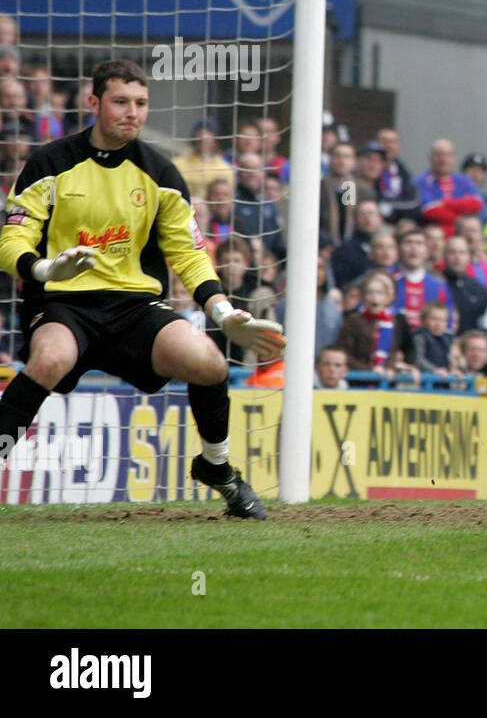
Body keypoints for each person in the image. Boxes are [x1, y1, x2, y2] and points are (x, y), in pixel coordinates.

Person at [0, 59, 283, 518]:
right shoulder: (48, 163)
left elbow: (189, 254)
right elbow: (11, 239)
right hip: (61, 303)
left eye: (141, 103)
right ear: (93, 103)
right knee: (51, 359)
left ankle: (218, 469)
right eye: (120, 102)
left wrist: (222, 311)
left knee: (208, 362)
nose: (132, 112)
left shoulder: (162, 175)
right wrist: (46, 269)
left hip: (135, 307)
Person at [338, 270, 413, 373]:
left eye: (379, 293)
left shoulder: (394, 322)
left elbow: (393, 352)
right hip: (359, 379)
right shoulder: (353, 320)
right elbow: (344, 354)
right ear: (363, 297)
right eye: (370, 292)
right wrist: (370, 370)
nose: (374, 297)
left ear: (388, 298)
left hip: (384, 380)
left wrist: (391, 367)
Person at [391, 229, 456, 331]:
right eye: (408, 242)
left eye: (419, 243)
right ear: (399, 249)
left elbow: (449, 322)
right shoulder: (387, 280)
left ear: (427, 251)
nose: (414, 248)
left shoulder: (439, 286)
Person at [417, 138, 483, 230]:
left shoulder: (464, 181)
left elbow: (476, 204)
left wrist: (444, 203)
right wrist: (459, 219)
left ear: (454, 158)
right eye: (439, 155)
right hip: (434, 232)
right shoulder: (421, 182)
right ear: (430, 158)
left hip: (462, 236)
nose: (443, 159)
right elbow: (429, 210)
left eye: (448, 155)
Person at [172, 117, 233, 200]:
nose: (203, 137)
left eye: (208, 133)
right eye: (200, 133)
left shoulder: (225, 168)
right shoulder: (178, 163)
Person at [461, 151, 487, 258]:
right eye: (472, 170)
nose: (475, 175)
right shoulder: (455, 198)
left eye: (480, 171)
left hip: (483, 261)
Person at [410, 301, 454, 375]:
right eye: (434, 319)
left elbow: (450, 360)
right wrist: (434, 370)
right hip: (425, 381)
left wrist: (453, 370)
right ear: (423, 320)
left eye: (443, 320)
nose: (438, 324)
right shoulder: (419, 336)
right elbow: (418, 359)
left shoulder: (447, 339)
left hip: (442, 381)